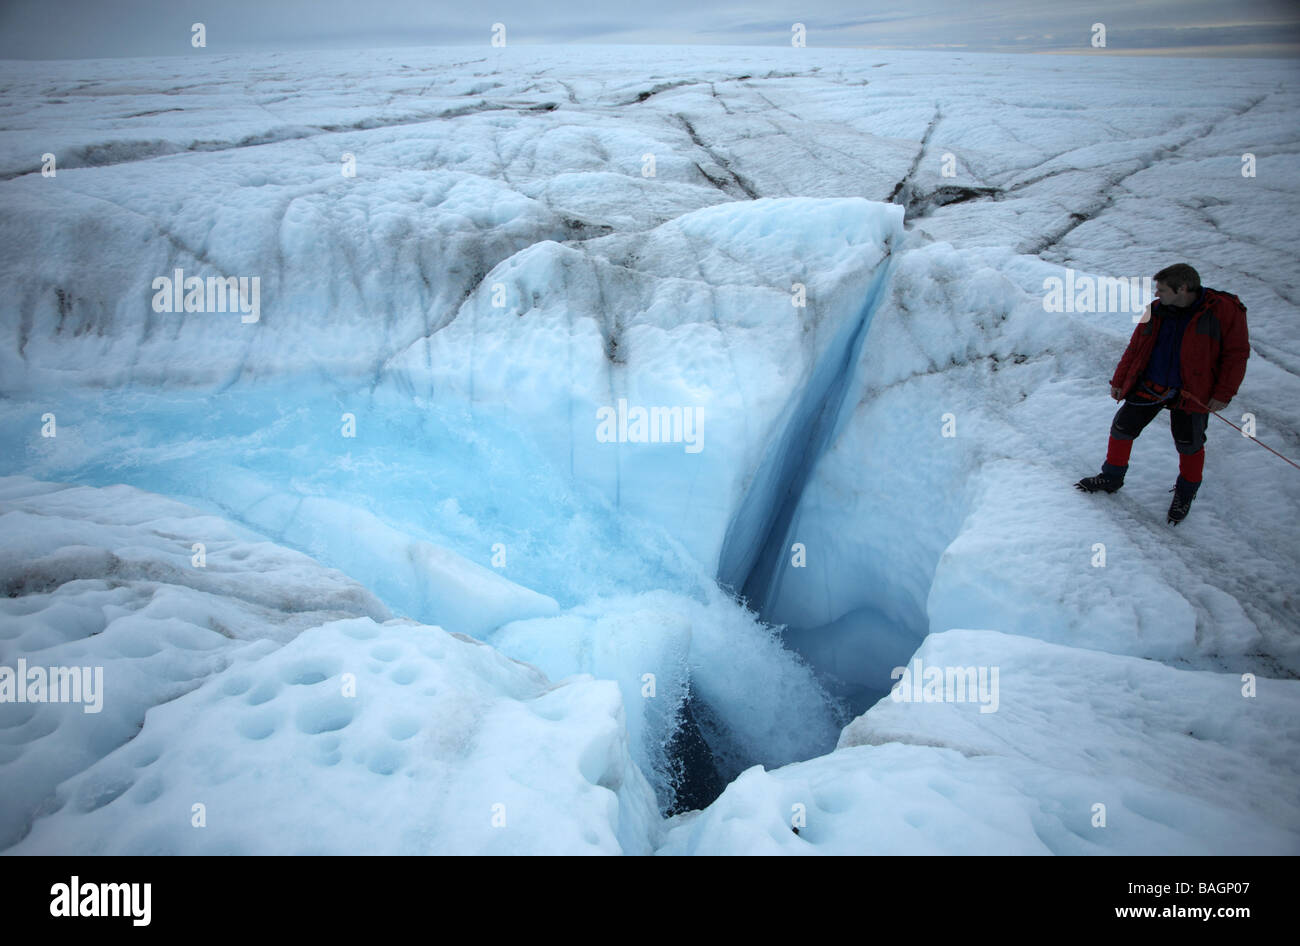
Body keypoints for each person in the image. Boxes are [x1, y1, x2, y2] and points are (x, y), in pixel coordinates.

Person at [1075, 263, 1249, 524]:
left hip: (1192, 392)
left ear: (1182, 289)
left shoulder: (1223, 311)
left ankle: (1185, 494)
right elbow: (1136, 346)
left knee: (1189, 444)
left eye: (1162, 290)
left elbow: (1236, 355)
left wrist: (1224, 393)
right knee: (1122, 429)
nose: (1157, 295)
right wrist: (1120, 379)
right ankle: (1111, 477)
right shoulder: (1155, 310)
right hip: (1151, 385)